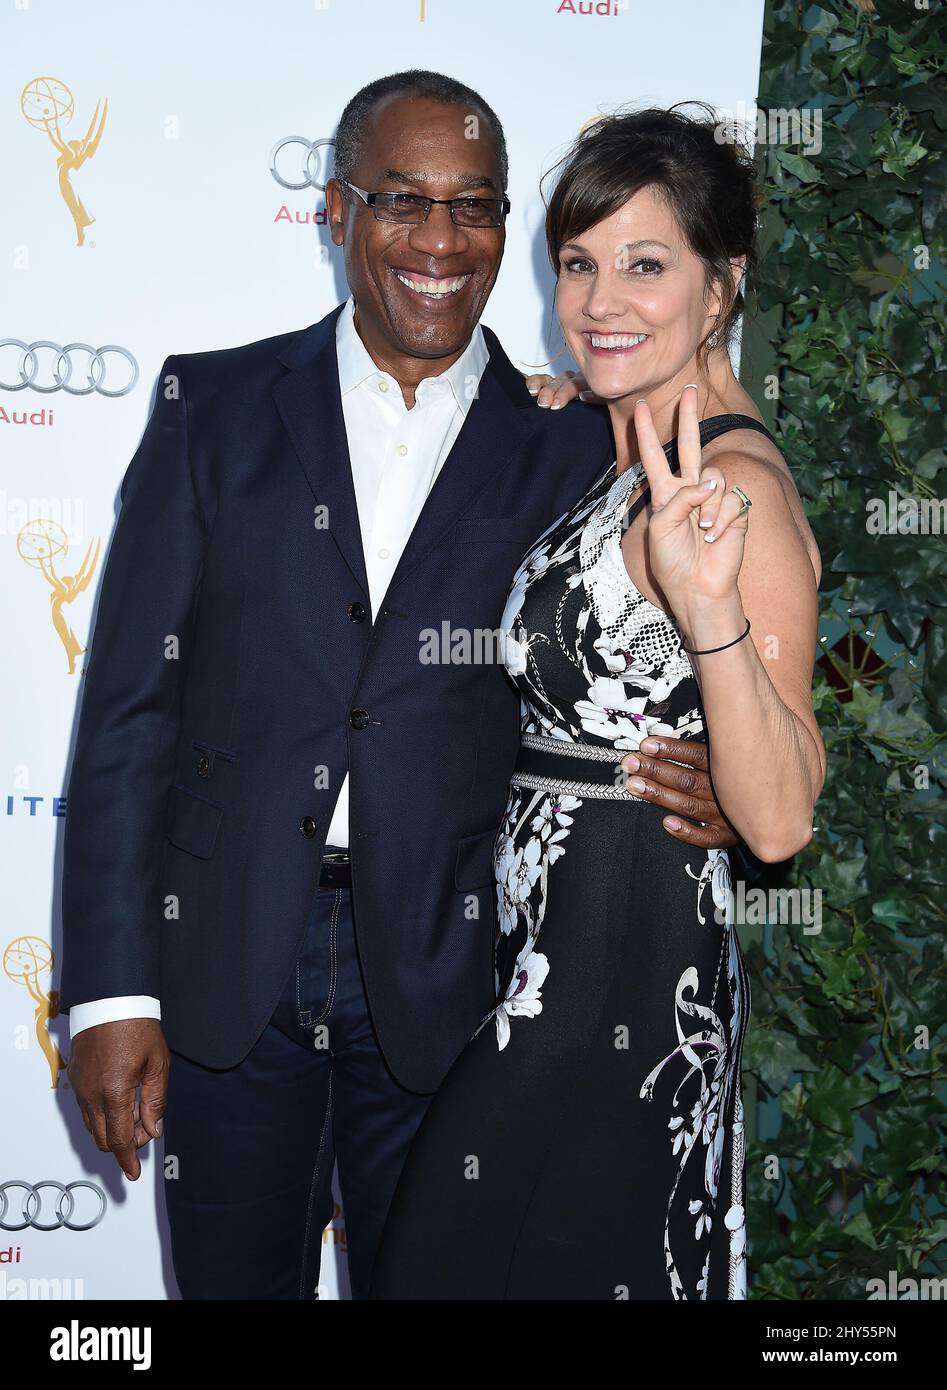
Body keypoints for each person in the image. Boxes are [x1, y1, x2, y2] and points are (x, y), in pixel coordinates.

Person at [59, 74, 740, 1301]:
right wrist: (108, 991)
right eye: (402, 202)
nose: (438, 241)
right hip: (224, 974)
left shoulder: (579, 442)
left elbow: (665, 659)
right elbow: (123, 723)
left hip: (462, 982)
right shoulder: (208, 407)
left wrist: (699, 774)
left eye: (473, 207)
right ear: (335, 212)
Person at [369, 105, 825, 1301]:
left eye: (644, 265)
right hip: (547, 966)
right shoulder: (634, 445)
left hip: (620, 976)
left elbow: (778, 818)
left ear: (720, 288)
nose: (599, 299)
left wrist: (707, 603)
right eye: (578, 263)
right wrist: (586, 393)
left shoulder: (734, 488)